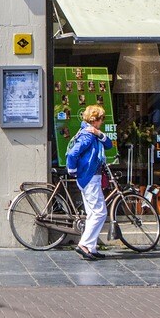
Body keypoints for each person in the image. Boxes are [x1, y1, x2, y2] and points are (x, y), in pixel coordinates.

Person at [65, 104, 113, 262]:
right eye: (101, 119)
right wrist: (72, 170)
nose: (102, 122)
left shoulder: (92, 133)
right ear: (95, 119)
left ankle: (91, 247)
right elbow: (72, 154)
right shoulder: (87, 135)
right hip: (89, 177)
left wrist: (99, 133)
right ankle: (84, 244)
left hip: (91, 177)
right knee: (100, 212)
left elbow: (109, 144)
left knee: (93, 213)